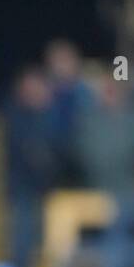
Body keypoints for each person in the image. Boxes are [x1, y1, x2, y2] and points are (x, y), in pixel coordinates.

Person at [2, 66, 58, 267]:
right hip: (23, 190)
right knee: (22, 238)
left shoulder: (53, 117)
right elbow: (23, 151)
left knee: (48, 240)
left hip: (50, 190)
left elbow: (61, 149)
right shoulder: (16, 116)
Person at [43, 38, 94, 187]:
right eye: (58, 61)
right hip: (52, 162)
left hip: (82, 160)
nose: (62, 66)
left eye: (66, 61)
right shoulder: (42, 94)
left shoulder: (86, 94)